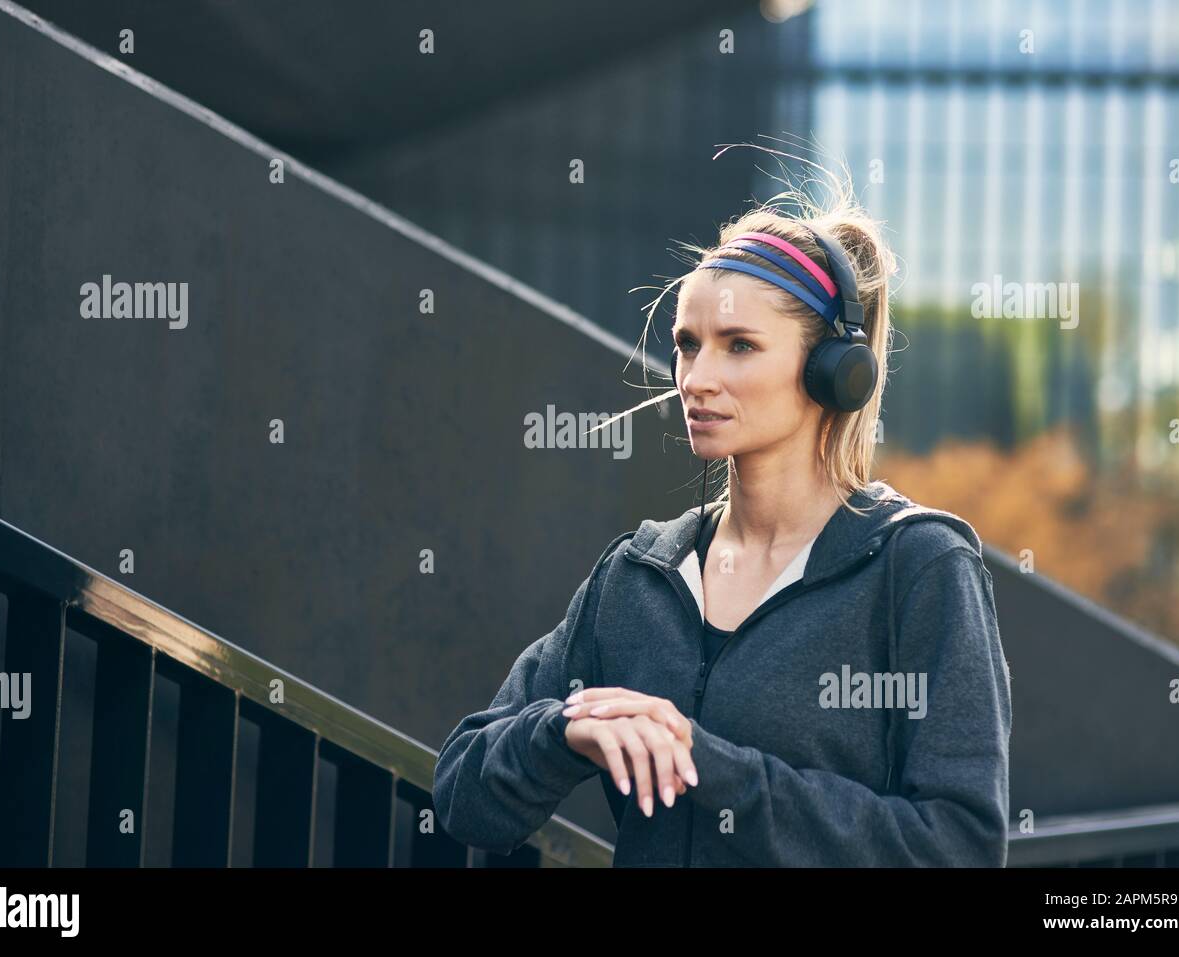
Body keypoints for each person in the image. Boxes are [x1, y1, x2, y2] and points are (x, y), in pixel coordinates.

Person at [433, 164, 1012, 867]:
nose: (695, 378)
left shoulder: (918, 567)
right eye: (686, 343)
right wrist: (560, 731)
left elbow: (960, 847)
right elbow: (462, 788)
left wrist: (710, 766)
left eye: (739, 345)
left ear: (834, 368)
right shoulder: (638, 576)